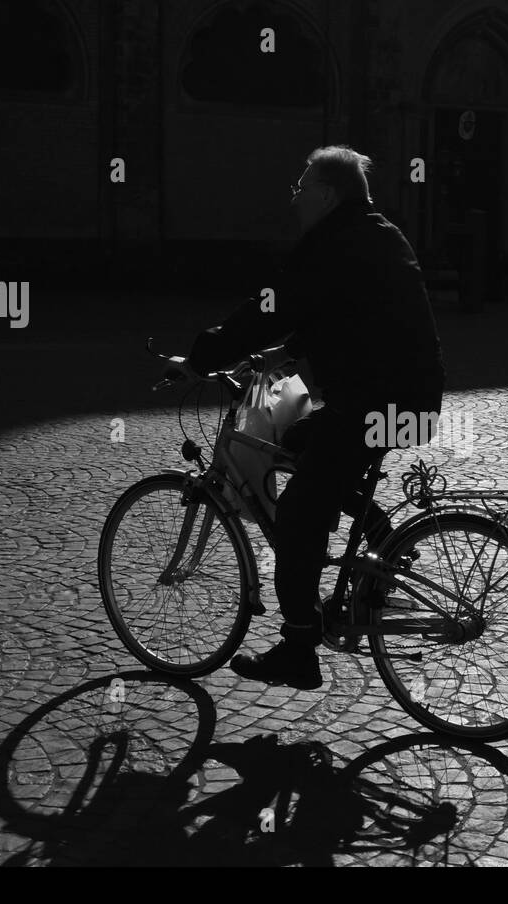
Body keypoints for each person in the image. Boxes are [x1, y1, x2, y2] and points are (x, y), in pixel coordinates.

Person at [182, 146, 445, 689]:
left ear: (327, 194)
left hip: (377, 403)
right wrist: (291, 352)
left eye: (301, 187)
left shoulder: (329, 243)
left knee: (300, 514)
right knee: (302, 441)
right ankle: (377, 532)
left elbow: (272, 306)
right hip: (412, 404)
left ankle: (299, 646)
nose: (295, 197)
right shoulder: (378, 234)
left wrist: (206, 353)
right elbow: (347, 307)